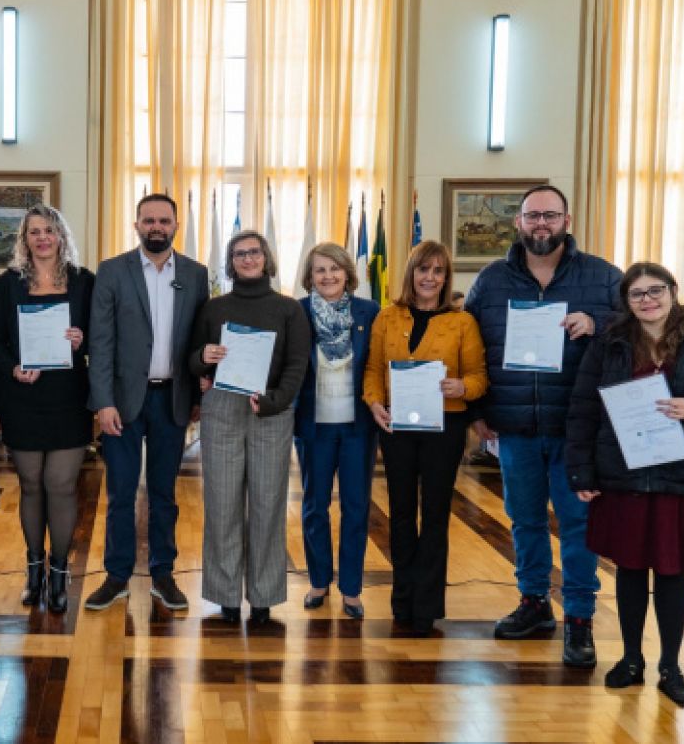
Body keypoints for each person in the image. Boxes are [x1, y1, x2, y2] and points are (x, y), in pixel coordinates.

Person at [566, 262, 684, 707]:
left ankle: (670, 664)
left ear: (673, 291)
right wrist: (582, 472)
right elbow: (582, 410)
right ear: (625, 301)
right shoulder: (608, 346)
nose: (648, 300)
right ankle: (631, 660)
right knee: (629, 569)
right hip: (622, 474)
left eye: (656, 291)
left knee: (671, 570)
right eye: (637, 294)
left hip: (680, 478)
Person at [464, 184, 621, 668]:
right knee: (525, 519)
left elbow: (639, 328)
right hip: (514, 427)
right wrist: (477, 411)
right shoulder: (490, 281)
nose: (541, 225)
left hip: (578, 429)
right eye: (532, 216)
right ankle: (534, 602)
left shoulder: (602, 277)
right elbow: (471, 346)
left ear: (567, 221)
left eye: (550, 216)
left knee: (577, 524)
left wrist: (596, 323)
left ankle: (579, 617)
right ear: (518, 223)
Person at [85, 194, 209, 612]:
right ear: (136, 224)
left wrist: (195, 398)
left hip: (172, 400)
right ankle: (116, 575)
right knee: (120, 493)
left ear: (175, 226)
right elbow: (100, 343)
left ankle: (162, 573)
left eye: (164, 221)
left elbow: (198, 340)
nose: (157, 227)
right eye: (149, 220)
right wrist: (103, 402)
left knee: (164, 495)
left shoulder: (195, 274)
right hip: (121, 403)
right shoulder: (112, 271)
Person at [363, 240, 488, 635]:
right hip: (397, 428)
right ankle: (402, 599)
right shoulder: (387, 316)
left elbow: (479, 378)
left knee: (434, 516)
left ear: (446, 277)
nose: (430, 278)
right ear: (410, 273)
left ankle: (427, 605)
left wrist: (461, 388)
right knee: (400, 515)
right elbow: (372, 370)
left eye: (437, 271)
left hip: (444, 429)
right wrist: (374, 402)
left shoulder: (463, 322)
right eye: (423, 269)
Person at [189, 230, 309, 625]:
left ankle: (263, 596)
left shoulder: (289, 308)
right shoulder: (213, 307)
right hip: (222, 407)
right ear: (231, 262)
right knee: (222, 505)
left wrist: (276, 400)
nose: (247, 259)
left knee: (268, 504)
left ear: (266, 257)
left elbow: (296, 365)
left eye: (254, 252)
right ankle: (224, 595)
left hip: (270, 409)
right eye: (239, 254)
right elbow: (192, 360)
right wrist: (203, 358)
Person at [0, 205, 95, 613]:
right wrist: (13, 368)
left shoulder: (85, 282)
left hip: (68, 396)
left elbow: (100, 340)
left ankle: (61, 573)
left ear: (61, 235)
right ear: (24, 239)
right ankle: (34, 571)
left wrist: (80, 339)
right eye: (34, 232)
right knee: (31, 485)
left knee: (62, 485)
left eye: (49, 230)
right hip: (22, 396)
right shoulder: (7, 285)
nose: (42, 238)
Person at [293, 242, 379, 617]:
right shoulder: (297, 313)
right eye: (319, 270)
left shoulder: (370, 312)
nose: (328, 276)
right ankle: (318, 580)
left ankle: (351, 588)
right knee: (314, 507)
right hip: (314, 425)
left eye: (334, 269)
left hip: (357, 425)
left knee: (357, 507)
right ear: (309, 277)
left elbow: (380, 363)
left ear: (347, 272)